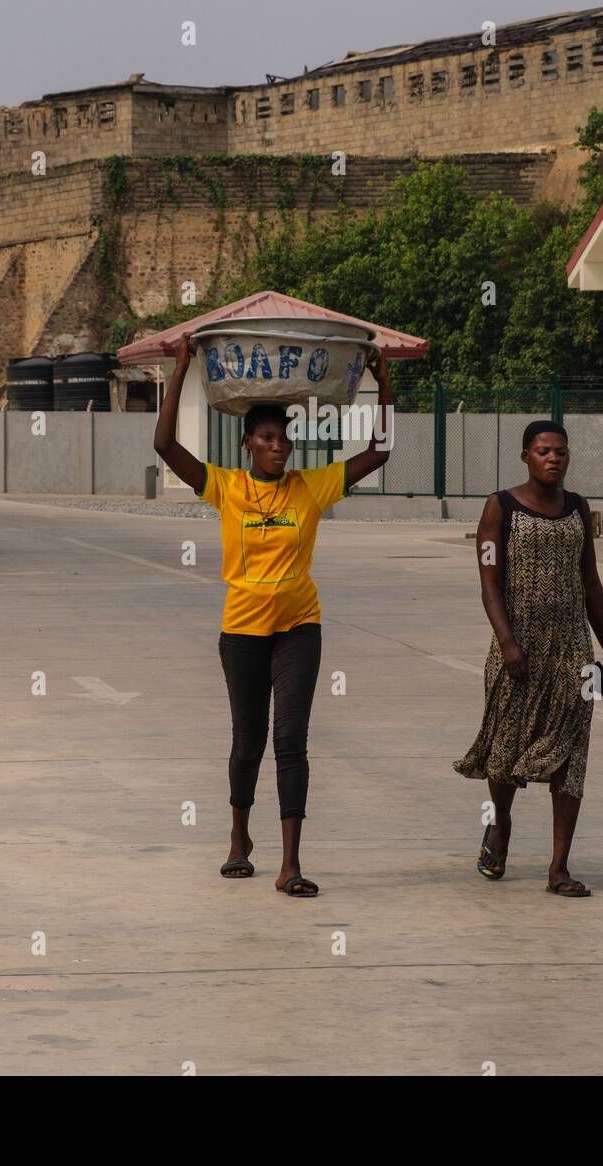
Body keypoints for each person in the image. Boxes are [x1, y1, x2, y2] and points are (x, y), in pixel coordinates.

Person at [153, 336, 393, 896]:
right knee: (248, 742)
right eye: (267, 439)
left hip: (298, 628)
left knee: (291, 739)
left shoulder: (311, 488)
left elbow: (378, 453)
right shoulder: (227, 488)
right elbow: (163, 443)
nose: (279, 447)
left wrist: (384, 388)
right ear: (248, 445)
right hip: (241, 633)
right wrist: (182, 368)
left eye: (284, 439)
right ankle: (239, 837)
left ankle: (291, 864)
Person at [454, 419, 603, 896]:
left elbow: (590, 582)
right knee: (504, 751)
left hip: (571, 650)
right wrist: (507, 643)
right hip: (517, 647)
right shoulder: (499, 507)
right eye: (544, 451)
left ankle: (559, 867)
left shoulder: (578, 510)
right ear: (525, 455)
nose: (554, 458)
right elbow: (489, 583)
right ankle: (501, 824)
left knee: (572, 753)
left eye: (561, 451)